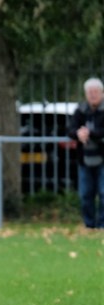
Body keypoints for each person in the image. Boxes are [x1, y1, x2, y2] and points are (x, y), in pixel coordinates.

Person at [68, 77, 104, 229]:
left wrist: (90, 133)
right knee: (85, 195)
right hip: (85, 160)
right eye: (90, 92)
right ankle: (89, 225)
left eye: (95, 92)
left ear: (102, 93)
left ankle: (102, 225)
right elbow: (70, 129)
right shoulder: (80, 111)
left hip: (103, 159)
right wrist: (78, 134)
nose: (93, 95)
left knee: (103, 194)